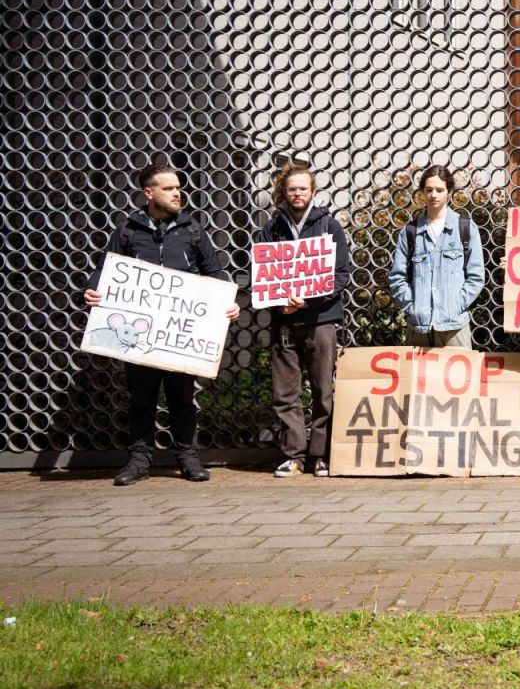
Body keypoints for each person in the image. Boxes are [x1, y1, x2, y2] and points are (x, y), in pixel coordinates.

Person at [84, 162, 238, 486]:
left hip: (179, 335)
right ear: (149, 193)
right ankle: (139, 461)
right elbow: (105, 269)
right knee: (142, 398)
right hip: (139, 335)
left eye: (178, 187)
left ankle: (188, 459)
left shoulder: (192, 229)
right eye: (169, 188)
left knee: (183, 398)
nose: (177, 193)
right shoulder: (127, 230)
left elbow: (214, 272)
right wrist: (92, 290)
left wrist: (227, 302)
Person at [256, 161, 352, 478]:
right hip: (284, 321)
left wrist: (309, 299)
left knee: (323, 390)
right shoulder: (272, 229)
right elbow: (263, 274)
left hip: (320, 319)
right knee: (285, 394)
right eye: (291, 188)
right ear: (283, 192)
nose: (297, 193)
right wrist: (279, 302)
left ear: (312, 191)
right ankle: (293, 456)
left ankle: (320, 456)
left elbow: (340, 275)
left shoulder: (329, 226)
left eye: (302, 188)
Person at [388, 165, 485, 349]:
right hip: (419, 328)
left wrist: (456, 305)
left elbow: (476, 276)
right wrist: (413, 306)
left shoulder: (464, 228)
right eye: (429, 190)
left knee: (457, 378)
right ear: (422, 192)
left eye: (439, 190)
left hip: (454, 326)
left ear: (449, 192)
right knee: (418, 378)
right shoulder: (410, 232)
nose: (433, 195)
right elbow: (397, 277)